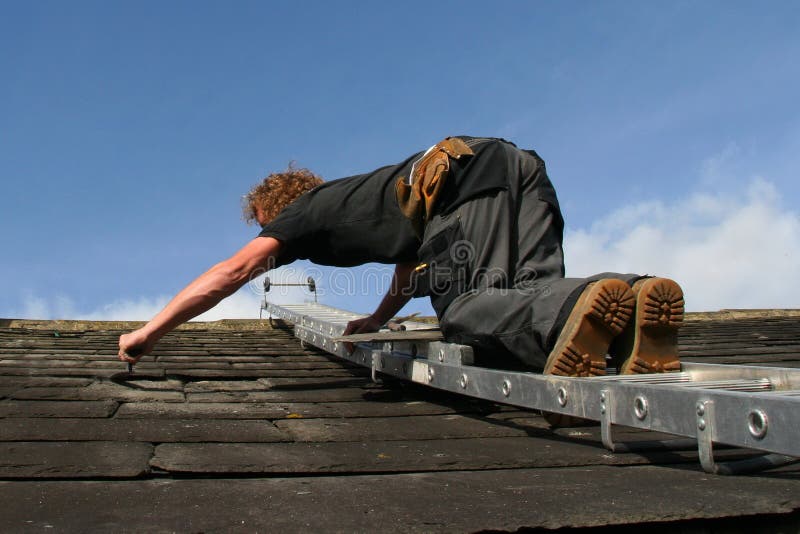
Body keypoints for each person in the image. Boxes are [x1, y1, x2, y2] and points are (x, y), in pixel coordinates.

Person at [119, 136, 684, 379]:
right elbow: (410, 262)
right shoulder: (357, 201)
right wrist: (379, 320)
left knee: (465, 311)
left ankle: (581, 309)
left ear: (275, 211)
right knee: (532, 306)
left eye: (268, 228)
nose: (278, 249)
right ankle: (631, 299)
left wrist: (151, 331)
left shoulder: (303, 214)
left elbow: (232, 271)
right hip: (517, 168)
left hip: (458, 179)